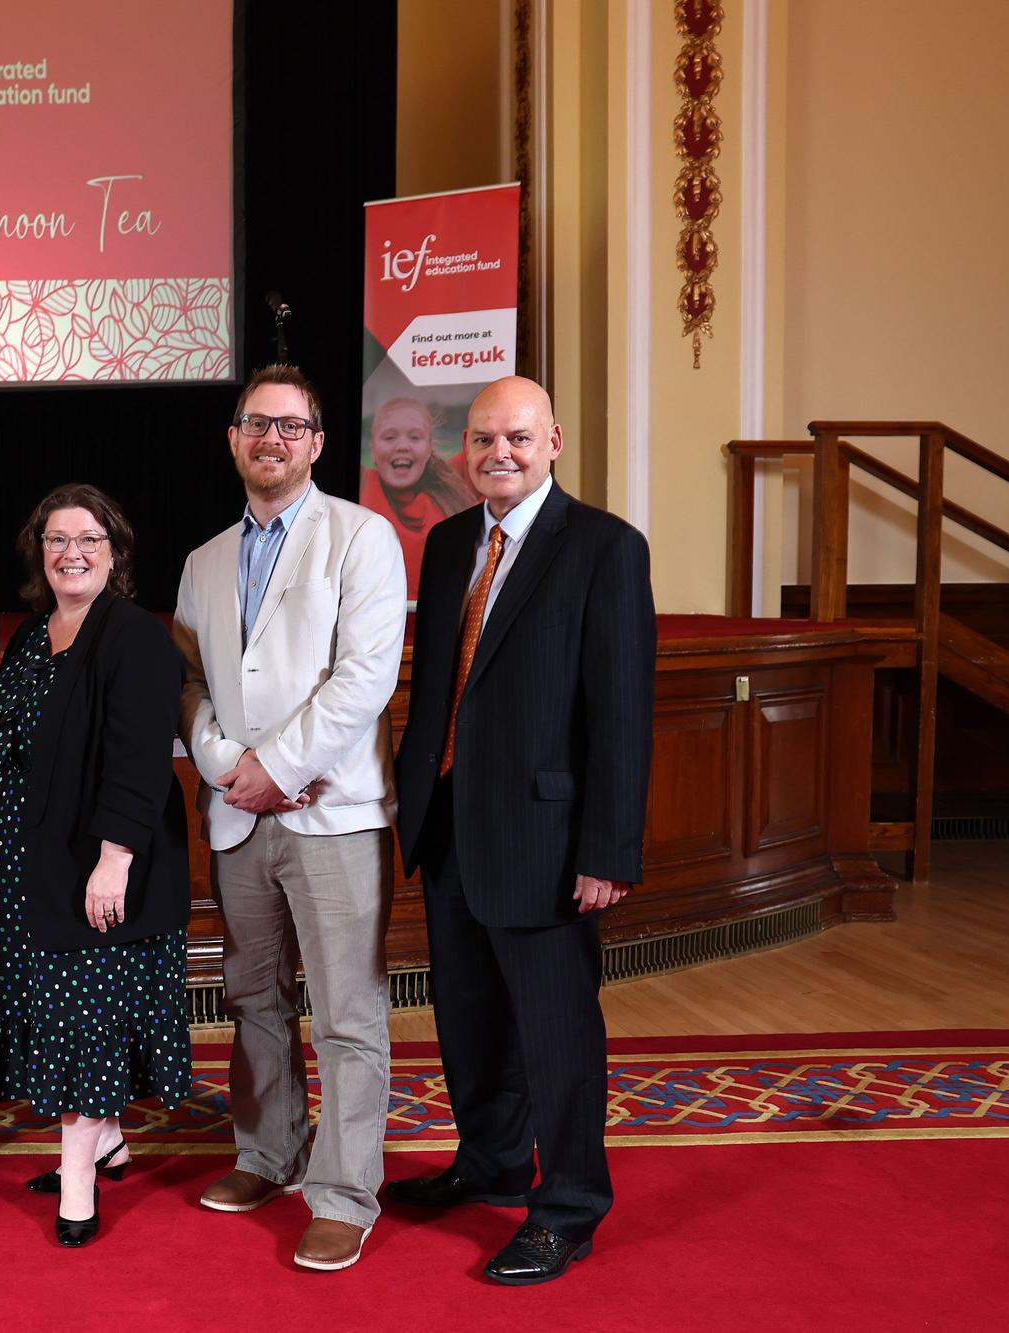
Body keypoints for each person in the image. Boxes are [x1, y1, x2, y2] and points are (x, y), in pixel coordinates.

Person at [388, 375, 655, 1286]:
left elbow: (621, 711)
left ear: (556, 442)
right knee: (468, 1017)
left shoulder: (605, 548)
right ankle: (493, 1159)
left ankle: (570, 1205)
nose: (500, 453)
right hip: (453, 823)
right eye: (485, 439)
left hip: (547, 839)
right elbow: (436, 690)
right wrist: (412, 794)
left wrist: (608, 851)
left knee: (556, 1034)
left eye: (519, 438)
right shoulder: (453, 539)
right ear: (465, 451)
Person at [173, 363, 408, 1273]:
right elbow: (194, 683)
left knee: (347, 1011)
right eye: (255, 424)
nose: (271, 439)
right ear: (234, 440)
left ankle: (345, 1193)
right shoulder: (203, 561)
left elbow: (365, 677)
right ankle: (270, 1153)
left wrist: (281, 765)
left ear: (315, 443)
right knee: (253, 997)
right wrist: (235, 769)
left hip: (331, 811)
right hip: (240, 812)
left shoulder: (362, 537)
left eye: (290, 427)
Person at [0, 484, 194, 1249]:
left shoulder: (133, 637)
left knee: (86, 1020)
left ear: (115, 552)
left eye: (89, 539)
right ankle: (106, 1142)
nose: (72, 551)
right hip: (28, 863)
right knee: (64, 1016)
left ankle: (76, 1181)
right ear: (40, 554)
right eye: (57, 538)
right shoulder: (33, 636)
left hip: (99, 861)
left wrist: (114, 859)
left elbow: (138, 760)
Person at [358, 396, 478, 599]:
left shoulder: (456, 490)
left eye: (415, 437)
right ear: (372, 449)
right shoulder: (362, 483)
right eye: (389, 437)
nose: (402, 446)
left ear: (429, 448)